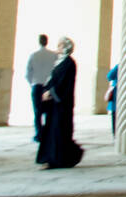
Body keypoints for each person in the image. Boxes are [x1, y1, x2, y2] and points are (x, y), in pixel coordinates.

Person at [36, 37, 83, 169]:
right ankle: (52, 158)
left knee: (59, 131)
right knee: (52, 131)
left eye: (60, 46)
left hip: (62, 105)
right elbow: (52, 79)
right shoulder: (59, 62)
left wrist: (51, 92)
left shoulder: (69, 63)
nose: (57, 48)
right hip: (54, 105)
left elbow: (64, 84)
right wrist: (46, 90)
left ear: (65, 47)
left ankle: (58, 159)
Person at [25, 34, 58, 142]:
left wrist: (32, 84)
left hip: (37, 85)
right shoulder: (53, 55)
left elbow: (28, 73)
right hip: (49, 87)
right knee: (49, 111)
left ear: (39, 42)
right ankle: (49, 133)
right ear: (47, 42)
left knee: (37, 112)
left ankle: (39, 134)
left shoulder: (34, 55)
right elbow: (56, 71)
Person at [105, 64, 118, 137]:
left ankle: (115, 134)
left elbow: (109, 76)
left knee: (115, 116)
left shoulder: (119, 66)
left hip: (117, 92)